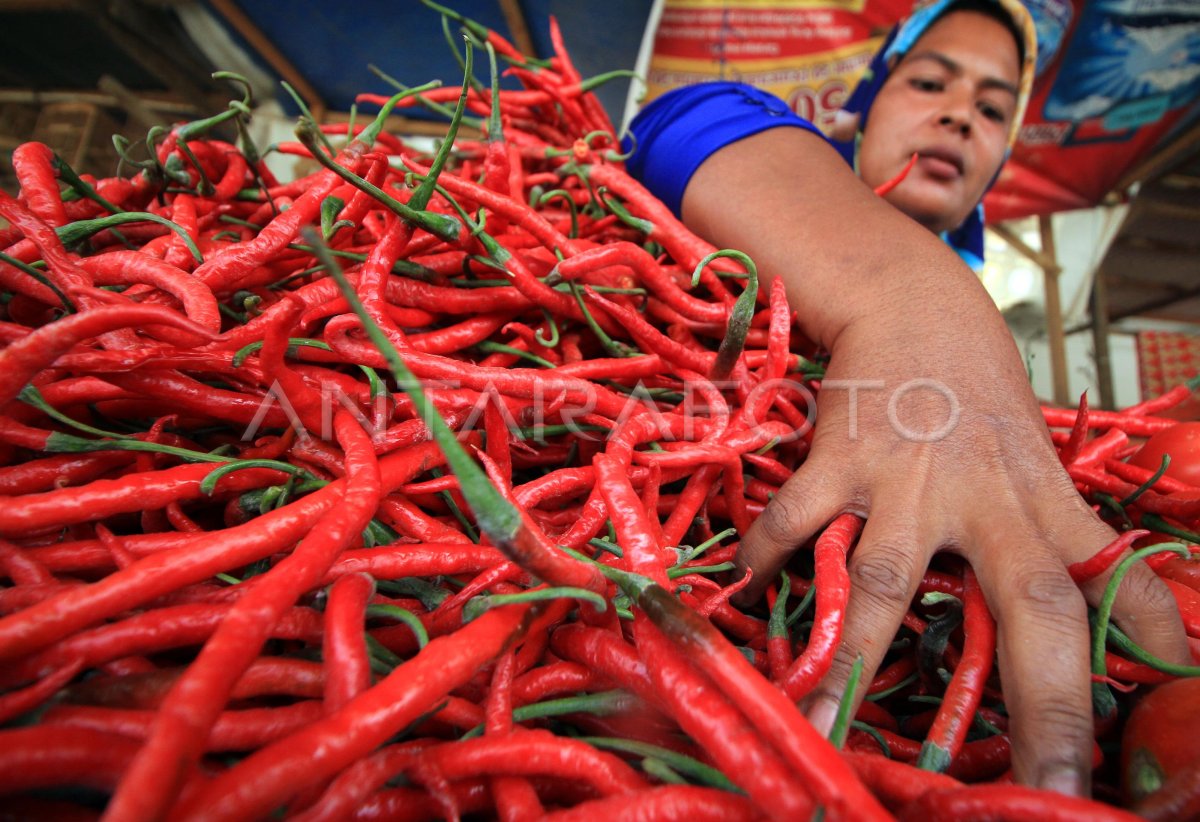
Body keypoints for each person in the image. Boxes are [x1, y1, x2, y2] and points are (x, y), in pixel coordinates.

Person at [624, 0, 1190, 798]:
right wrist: (906, 294)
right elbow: (680, 120)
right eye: (929, 81)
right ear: (866, 105)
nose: (961, 114)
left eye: (994, 108)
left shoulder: (999, 343)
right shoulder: (771, 170)